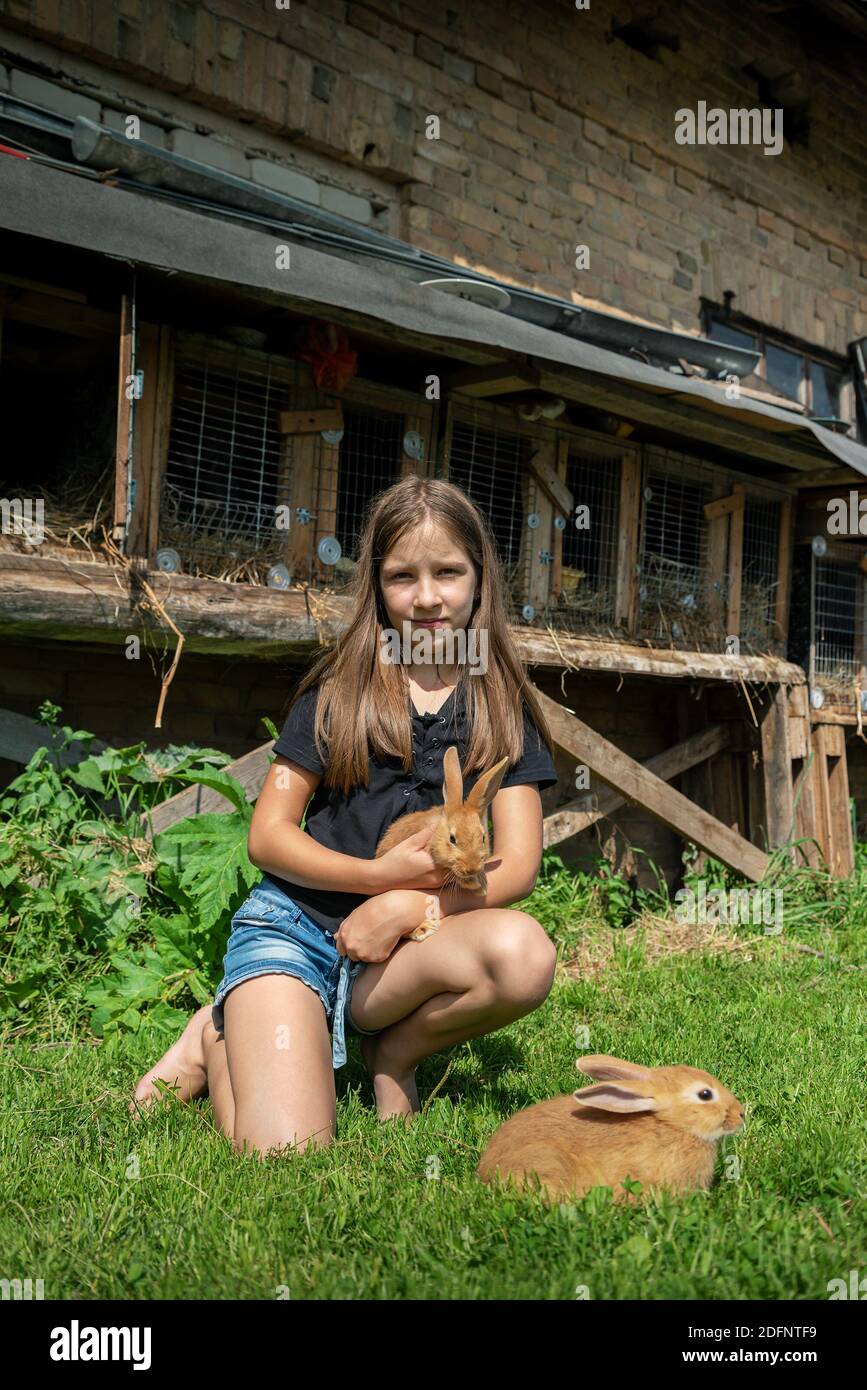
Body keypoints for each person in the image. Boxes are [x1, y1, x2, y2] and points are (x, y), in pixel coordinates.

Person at [131, 475, 559, 1158]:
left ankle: (393, 1052)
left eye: (447, 571)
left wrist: (415, 910)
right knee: (286, 1152)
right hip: (298, 930)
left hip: (397, 959)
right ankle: (215, 1036)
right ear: (376, 586)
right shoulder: (340, 691)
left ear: (480, 577)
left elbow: (521, 865)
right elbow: (267, 838)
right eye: (402, 577)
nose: (426, 598)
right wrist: (375, 880)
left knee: (523, 954)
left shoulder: (503, 707)